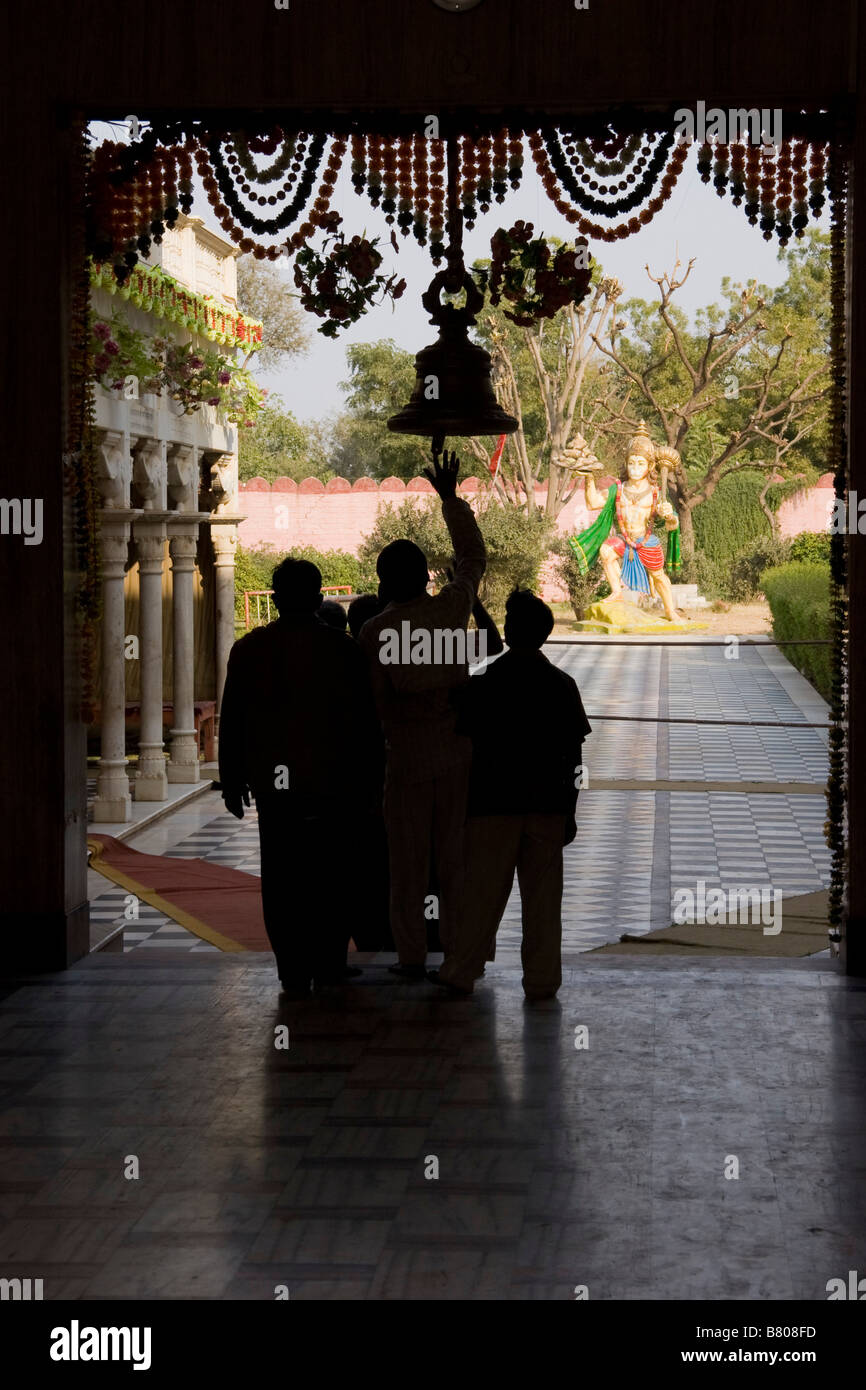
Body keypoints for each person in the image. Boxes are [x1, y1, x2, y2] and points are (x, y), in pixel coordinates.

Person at [218, 557, 382, 997]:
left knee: (283, 877)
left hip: (276, 788)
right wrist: (372, 784)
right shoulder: (342, 650)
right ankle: (329, 962)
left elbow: (232, 719)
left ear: (275, 596)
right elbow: (365, 725)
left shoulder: (250, 649)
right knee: (333, 876)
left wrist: (231, 779)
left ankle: (292, 969)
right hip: (335, 784)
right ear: (317, 596)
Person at [358, 448, 486, 978]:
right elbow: (474, 559)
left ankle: (411, 956)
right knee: (454, 861)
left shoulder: (374, 633)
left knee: (407, 866)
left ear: (385, 582)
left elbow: (376, 707)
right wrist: (451, 500)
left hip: (406, 761)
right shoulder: (448, 608)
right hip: (456, 755)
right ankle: (458, 956)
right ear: (425, 576)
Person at [432, 588, 591, 1000]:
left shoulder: (484, 686)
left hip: (492, 804)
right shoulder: (561, 685)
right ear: (545, 635)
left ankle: (461, 969)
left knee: (482, 894)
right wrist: (569, 812)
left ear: (509, 628)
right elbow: (573, 757)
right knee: (542, 900)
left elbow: (465, 747)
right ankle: (541, 980)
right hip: (547, 806)